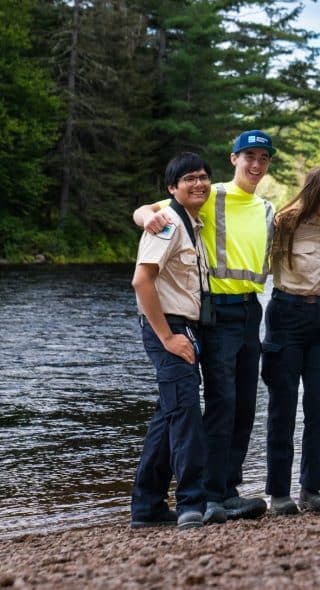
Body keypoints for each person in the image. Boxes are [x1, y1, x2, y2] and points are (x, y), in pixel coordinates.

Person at [133, 130, 276, 524]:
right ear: (234, 159)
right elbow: (149, 212)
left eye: (263, 158)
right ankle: (210, 496)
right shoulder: (207, 195)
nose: (255, 164)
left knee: (242, 404)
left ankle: (217, 490)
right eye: (249, 156)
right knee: (219, 404)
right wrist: (145, 216)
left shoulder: (266, 208)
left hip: (250, 310)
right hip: (214, 316)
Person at [129, 152, 213, 530]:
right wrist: (167, 337)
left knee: (169, 414)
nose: (198, 184)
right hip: (168, 327)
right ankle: (192, 504)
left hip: (185, 326)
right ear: (172, 188)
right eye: (189, 179)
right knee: (186, 416)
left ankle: (147, 508)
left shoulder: (191, 223)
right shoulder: (167, 224)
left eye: (203, 177)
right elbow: (141, 281)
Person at [262, 166, 320, 515]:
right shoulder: (285, 222)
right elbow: (259, 259)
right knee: (282, 407)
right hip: (286, 314)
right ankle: (278, 493)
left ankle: (311, 489)